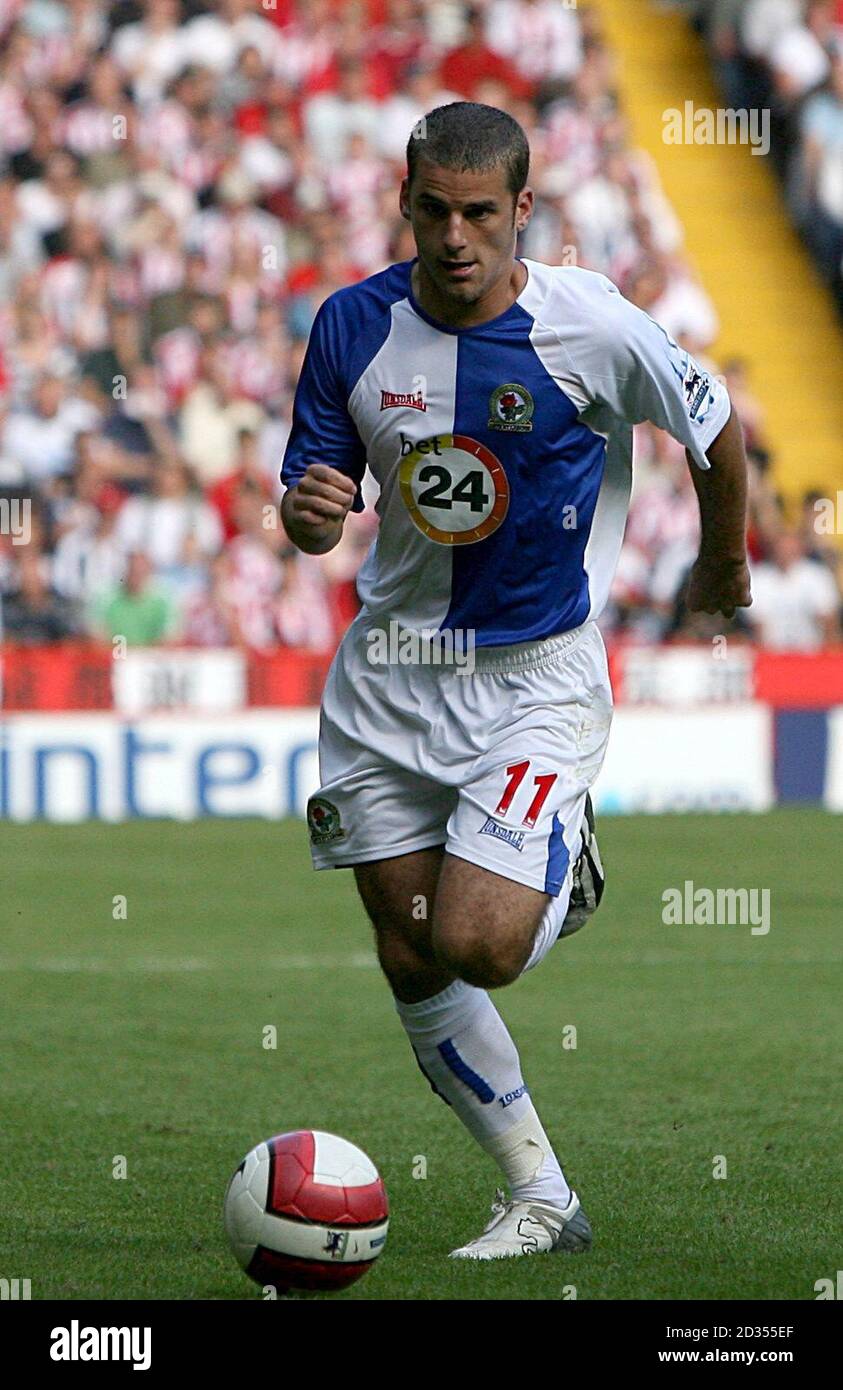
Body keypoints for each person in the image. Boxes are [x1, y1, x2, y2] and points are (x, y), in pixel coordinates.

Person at [280, 102, 751, 1262]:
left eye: (480, 212)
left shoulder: (590, 327)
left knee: (480, 943)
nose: (454, 236)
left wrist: (723, 555)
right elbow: (310, 499)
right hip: (389, 675)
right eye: (433, 209)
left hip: (532, 676)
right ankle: (539, 1193)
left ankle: (562, 866)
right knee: (410, 947)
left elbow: (715, 423)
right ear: (405, 201)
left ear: (522, 210)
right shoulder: (351, 325)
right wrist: (308, 512)